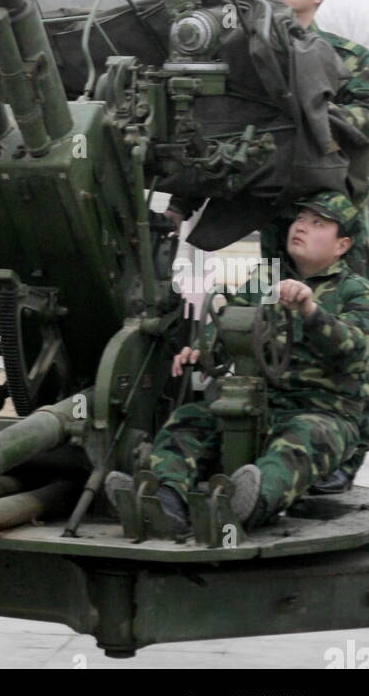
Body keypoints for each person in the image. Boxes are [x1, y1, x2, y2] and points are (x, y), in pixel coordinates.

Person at [106, 192, 369, 535]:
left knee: (294, 447)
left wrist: (310, 311)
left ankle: (245, 507)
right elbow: (229, 322)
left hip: (323, 414)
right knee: (190, 421)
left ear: (342, 245)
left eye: (317, 223)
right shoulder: (265, 279)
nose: (301, 227)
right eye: (300, 219)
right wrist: (203, 352)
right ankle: (165, 499)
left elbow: (355, 348)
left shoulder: (355, 290)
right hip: (259, 404)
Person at [265, 0, 369, 488]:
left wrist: (307, 108)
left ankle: (342, 458)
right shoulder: (257, 54)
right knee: (276, 315)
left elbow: (361, 119)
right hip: (280, 212)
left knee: (353, 326)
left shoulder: (348, 56)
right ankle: (282, 446)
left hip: (338, 211)